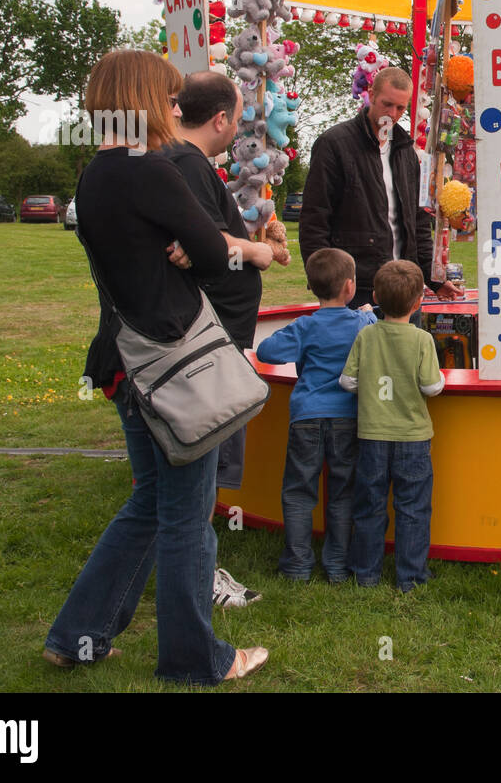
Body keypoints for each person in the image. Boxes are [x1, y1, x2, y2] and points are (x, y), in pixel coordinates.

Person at [44, 49, 266, 683]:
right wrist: (224, 246)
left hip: (124, 359)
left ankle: (77, 635)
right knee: (185, 518)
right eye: (169, 98)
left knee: (149, 504)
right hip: (171, 365)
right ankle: (200, 660)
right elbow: (208, 248)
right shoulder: (151, 171)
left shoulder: (97, 173)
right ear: (143, 98)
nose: (176, 108)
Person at [166, 71, 288, 608]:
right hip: (209, 343)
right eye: (236, 117)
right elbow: (201, 244)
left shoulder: (193, 168)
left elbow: (212, 234)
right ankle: (201, 575)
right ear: (220, 120)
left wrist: (256, 234)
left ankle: (190, 565)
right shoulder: (188, 166)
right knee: (201, 474)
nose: (239, 126)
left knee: (195, 473)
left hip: (219, 338)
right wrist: (253, 252)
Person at [256, 248, 375, 582]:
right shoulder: (363, 322)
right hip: (348, 418)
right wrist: (367, 312)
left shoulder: (305, 327)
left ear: (311, 286)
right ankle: (337, 565)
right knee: (343, 492)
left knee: (298, 491)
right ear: (350, 288)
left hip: (306, 417)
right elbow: (380, 322)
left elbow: (267, 351)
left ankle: (297, 565)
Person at [299, 67, 462, 308]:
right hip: (355, 287)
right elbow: (315, 218)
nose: (392, 114)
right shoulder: (334, 144)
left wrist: (434, 280)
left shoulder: (405, 151)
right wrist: (326, 285)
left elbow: (417, 222)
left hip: (405, 286)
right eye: (387, 104)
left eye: (400, 108)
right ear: (371, 95)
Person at [340, 260, 444, 592]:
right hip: (412, 438)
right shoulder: (422, 340)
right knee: (413, 507)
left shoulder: (365, 335)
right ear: (418, 302)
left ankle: (365, 573)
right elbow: (431, 387)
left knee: (368, 504)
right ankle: (410, 577)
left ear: (375, 296)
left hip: (371, 435)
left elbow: (347, 381)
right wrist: (440, 377)